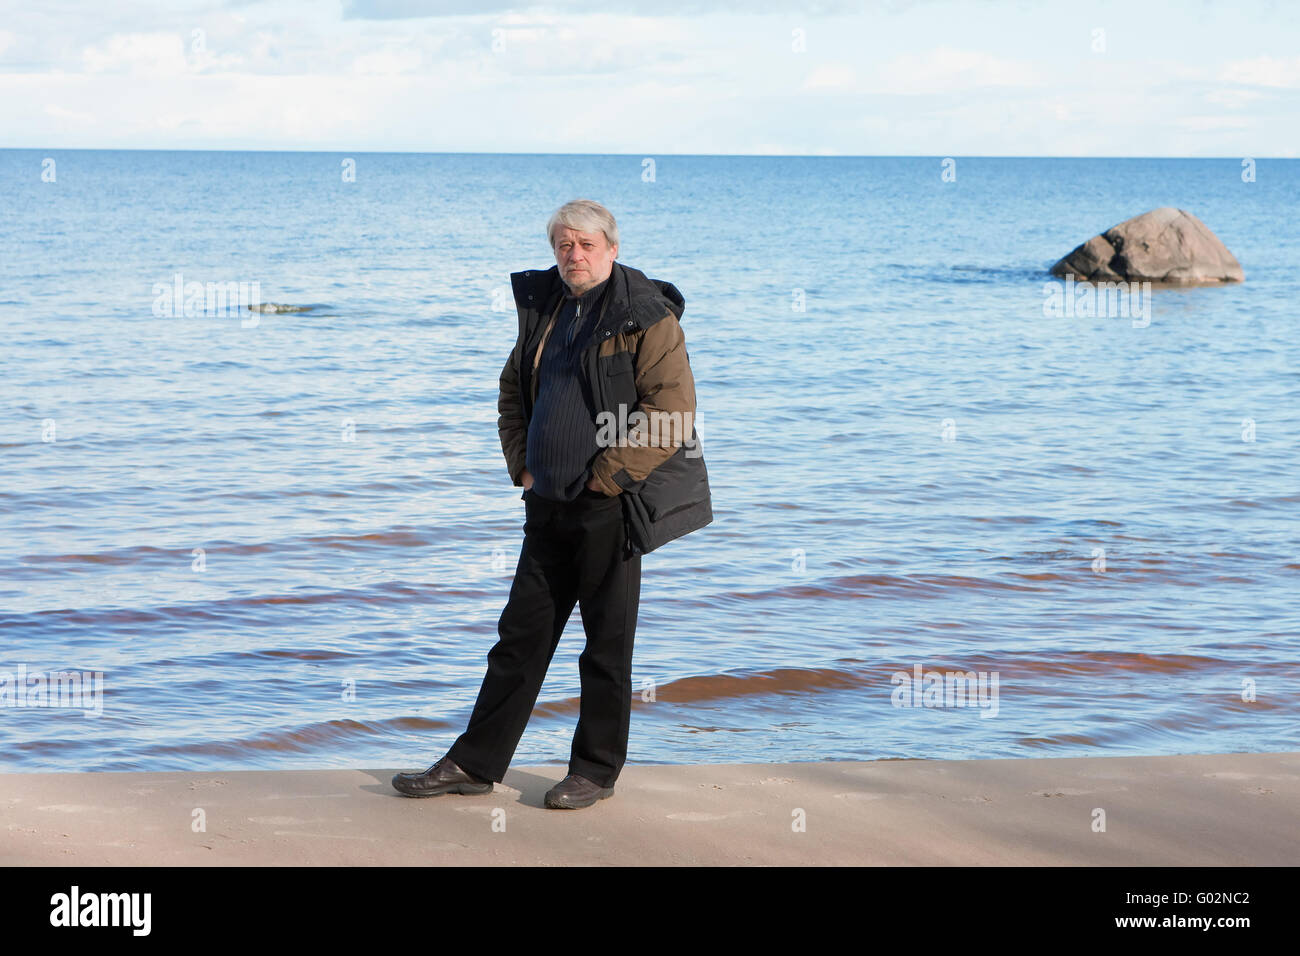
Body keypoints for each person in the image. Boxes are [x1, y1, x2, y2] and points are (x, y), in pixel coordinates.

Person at [392, 199, 711, 809]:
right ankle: (473, 762)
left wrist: (606, 478)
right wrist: (524, 464)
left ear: (612, 248)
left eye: (587, 245)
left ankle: (593, 772)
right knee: (519, 639)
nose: (574, 256)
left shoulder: (646, 317)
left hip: (609, 508)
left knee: (606, 647)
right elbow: (513, 390)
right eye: (564, 245)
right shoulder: (546, 309)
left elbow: (671, 414)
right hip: (546, 505)